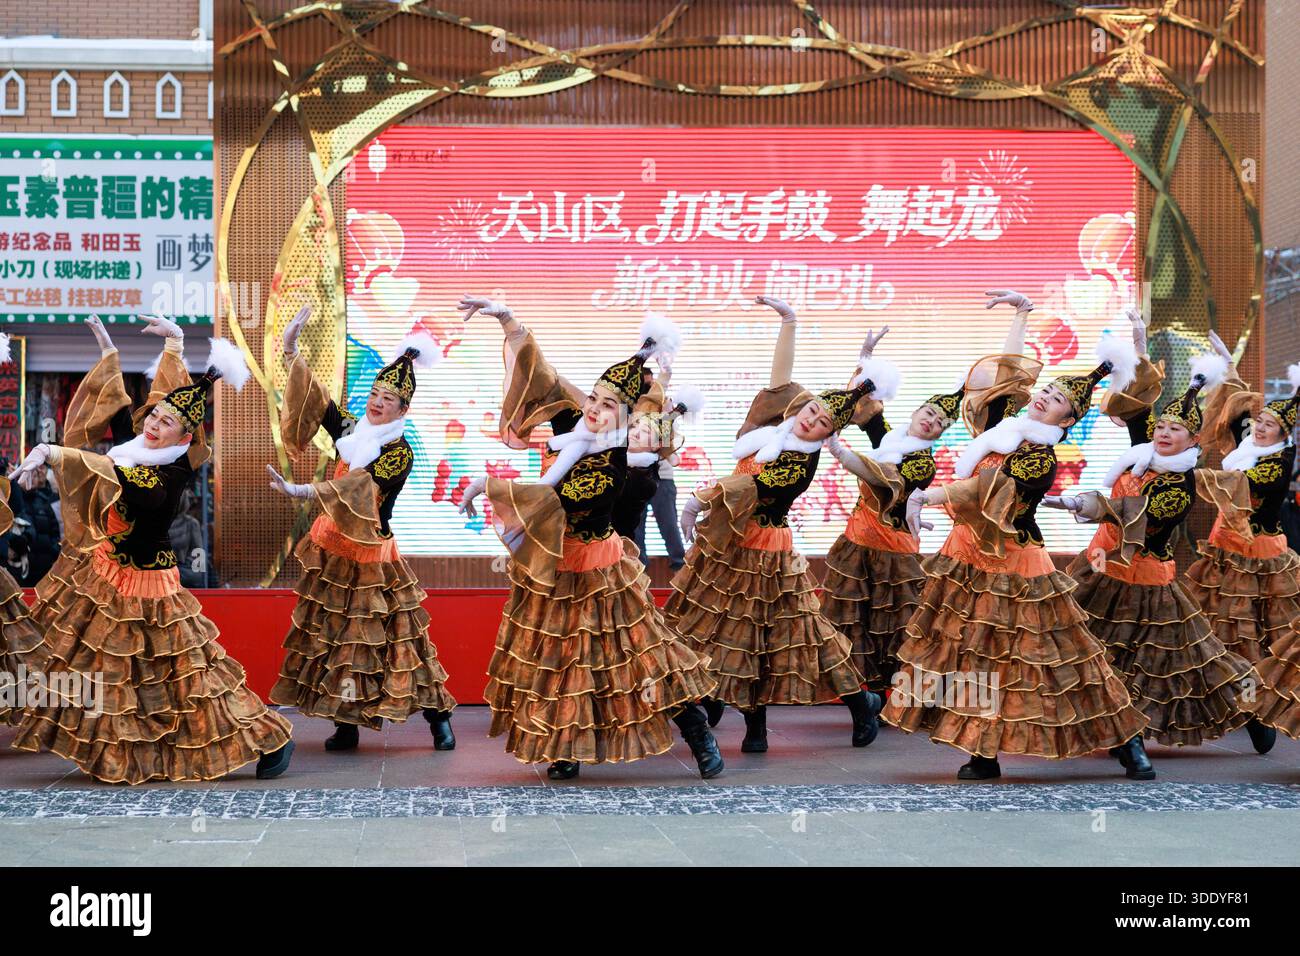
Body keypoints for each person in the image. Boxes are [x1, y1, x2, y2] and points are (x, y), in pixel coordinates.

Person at [457, 294, 723, 781]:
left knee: (642, 657)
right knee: (559, 657)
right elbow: (543, 375)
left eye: (608, 405)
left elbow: (554, 503)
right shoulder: (572, 430)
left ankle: (696, 727)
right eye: (593, 400)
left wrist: (488, 486)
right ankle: (566, 748)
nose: (595, 410)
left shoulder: (615, 462)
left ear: (626, 415)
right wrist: (507, 318)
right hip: (557, 568)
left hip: (600, 571)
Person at [887, 291, 1150, 780]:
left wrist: (929, 495)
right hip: (968, 556)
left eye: (1059, 401)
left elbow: (989, 488)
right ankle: (982, 750)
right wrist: (1022, 314)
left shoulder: (1040, 458)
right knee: (972, 653)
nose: (1046, 397)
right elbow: (1006, 377)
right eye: (1047, 391)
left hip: (1016, 564)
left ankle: (1126, 737)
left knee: (1059, 657)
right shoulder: (1004, 429)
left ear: (1067, 421)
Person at [8, 333, 294, 783]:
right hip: (109, 572)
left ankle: (265, 735)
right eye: (154, 416)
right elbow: (131, 414)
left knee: (189, 676)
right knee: (102, 664)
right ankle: (118, 752)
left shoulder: (169, 473)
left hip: (151, 584)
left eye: (165, 423)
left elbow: (116, 473)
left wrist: (51, 452)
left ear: (185, 436)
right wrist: (169, 347)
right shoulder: (138, 447)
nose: (154, 425)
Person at [663, 294, 886, 753]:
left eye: (823, 422)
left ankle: (859, 700)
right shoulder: (770, 431)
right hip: (728, 543)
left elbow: (752, 491)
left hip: (765, 552)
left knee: (789, 634)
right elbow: (779, 380)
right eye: (811, 411)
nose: (812, 420)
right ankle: (750, 723)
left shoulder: (798, 463)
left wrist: (699, 500)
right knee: (718, 631)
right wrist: (790, 322)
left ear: (828, 435)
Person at [1047, 312, 1257, 758]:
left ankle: (1251, 709)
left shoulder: (1180, 485)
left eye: (1174, 429)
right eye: (1161, 427)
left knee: (1177, 664)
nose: (1162, 433)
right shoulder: (1143, 453)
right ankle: (1123, 736)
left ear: (1192, 438)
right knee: (1086, 648)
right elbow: (1140, 402)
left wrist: (1081, 503)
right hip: (1100, 569)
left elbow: (1133, 515)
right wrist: (1139, 348)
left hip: (1147, 585)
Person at [268, 305, 457, 753]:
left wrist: (301, 492)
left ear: (402, 409)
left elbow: (358, 490)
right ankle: (347, 724)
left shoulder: (398, 453)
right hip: (335, 552)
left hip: (373, 556)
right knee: (337, 638)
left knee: (400, 641)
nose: (376, 401)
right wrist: (291, 348)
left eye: (387, 399)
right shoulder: (353, 432)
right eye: (374, 392)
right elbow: (317, 401)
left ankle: (439, 716)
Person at [820, 325, 960, 695]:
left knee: (895, 625)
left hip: (893, 554)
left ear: (941, 433)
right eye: (929, 412)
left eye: (940, 423)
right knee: (852, 619)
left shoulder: (922, 463)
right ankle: (858, 692)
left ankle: (898, 696)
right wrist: (865, 362)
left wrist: (841, 453)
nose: (931, 421)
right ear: (916, 411)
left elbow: (883, 477)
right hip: (858, 540)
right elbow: (859, 407)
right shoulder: (890, 439)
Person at [1185, 341, 1300, 752]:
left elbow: (1238, 487)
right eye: (1262, 421)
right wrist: (1228, 368)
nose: (1261, 427)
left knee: (1254, 640)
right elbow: (1232, 416)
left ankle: (1254, 711)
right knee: (1210, 633)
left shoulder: (1278, 461)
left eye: (1270, 424)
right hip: (1223, 552)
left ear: (1283, 434)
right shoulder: (1245, 450)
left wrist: (1186, 476)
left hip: (1262, 562)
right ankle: (1222, 706)